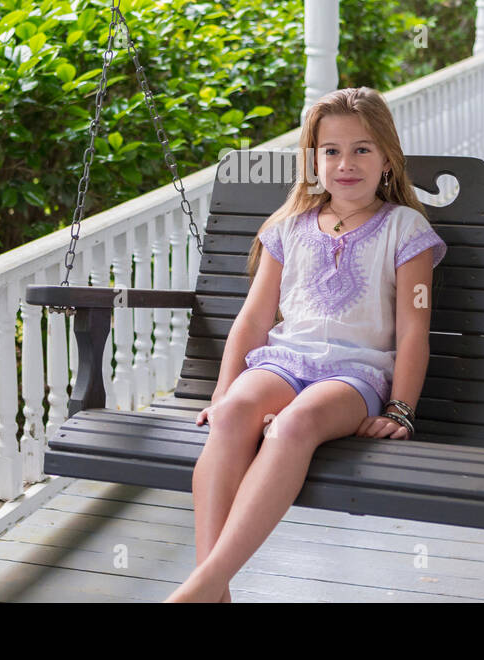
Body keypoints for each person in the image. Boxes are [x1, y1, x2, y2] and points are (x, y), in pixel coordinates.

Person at [164, 87, 447, 602]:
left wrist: (401, 409)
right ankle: (213, 589)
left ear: (387, 157)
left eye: (362, 149)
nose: (346, 163)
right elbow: (253, 320)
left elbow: (413, 329)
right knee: (231, 418)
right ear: (313, 159)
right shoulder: (288, 228)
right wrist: (224, 391)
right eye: (332, 150)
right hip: (283, 362)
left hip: (353, 375)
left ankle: (201, 587)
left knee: (293, 425)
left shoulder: (407, 230)